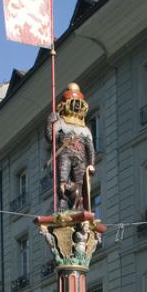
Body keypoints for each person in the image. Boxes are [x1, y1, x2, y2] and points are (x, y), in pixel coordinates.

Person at [46, 83, 96, 213]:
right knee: (62, 181)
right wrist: (49, 123)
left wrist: (91, 164)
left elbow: (90, 148)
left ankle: (78, 206)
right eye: (74, 102)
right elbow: (51, 138)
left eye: (78, 103)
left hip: (80, 157)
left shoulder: (85, 129)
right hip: (65, 155)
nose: (77, 106)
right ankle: (62, 203)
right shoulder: (60, 122)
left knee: (80, 184)